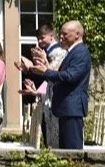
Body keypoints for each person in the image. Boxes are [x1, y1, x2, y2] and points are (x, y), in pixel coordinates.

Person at [30, 20, 91, 149]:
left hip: (72, 109)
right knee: (65, 152)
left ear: (77, 34)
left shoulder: (80, 52)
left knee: (72, 152)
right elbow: (60, 76)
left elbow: (70, 76)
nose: (61, 37)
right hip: (66, 108)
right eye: (60, 34)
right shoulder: (72, 52)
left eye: (65, 34)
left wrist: (46, 71)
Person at [17, 24, 67, 148]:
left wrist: (32, 68)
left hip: (55, 99)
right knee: (47, 137)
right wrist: (28, 70)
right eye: (38, 38)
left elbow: (53, 76)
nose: (39, 41)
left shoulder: (58, 52)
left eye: (42, 37)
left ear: (51, 36)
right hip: (46, 98)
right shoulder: (47, 52)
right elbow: (44, 78)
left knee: (55, 139)